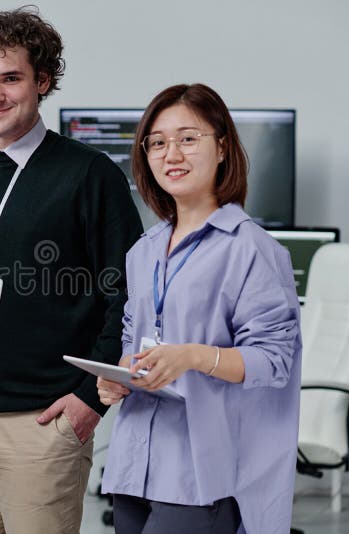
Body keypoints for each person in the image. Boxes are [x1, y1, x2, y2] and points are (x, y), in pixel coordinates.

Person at [0, 7, 143, 534]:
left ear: (42, 81)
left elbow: (128, 296)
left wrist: (88, 401)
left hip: (44, 419)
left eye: (11, 78)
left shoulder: (90, 174)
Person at [96, 84, 301, 534]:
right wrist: (119, 375)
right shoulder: (143, 251)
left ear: (223, 146)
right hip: (134, 461)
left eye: (189, 138)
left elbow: (274, 361)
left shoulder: (252, 249)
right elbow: (136, 338)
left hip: (202, 470)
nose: (172, 154)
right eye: (158, 142)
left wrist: (191, 356)